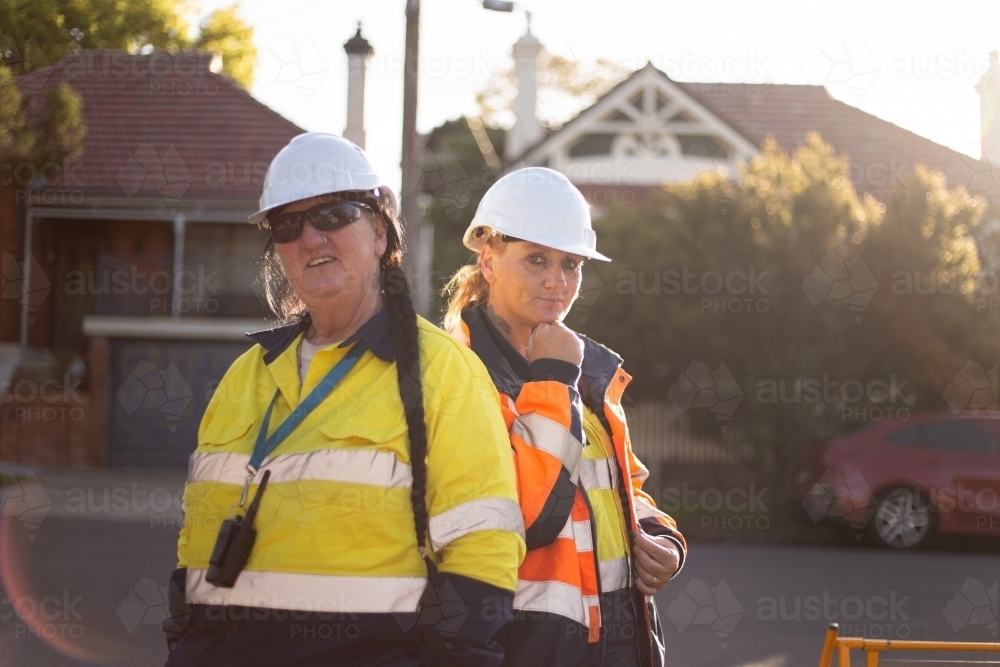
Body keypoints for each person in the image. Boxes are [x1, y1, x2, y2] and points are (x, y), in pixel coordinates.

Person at [162, 133, 526, 667]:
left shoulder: (443, 370)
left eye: (333, 215)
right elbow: (193, 546)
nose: (310, 238)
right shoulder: (246, 376)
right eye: (288, 225)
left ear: (379, 232)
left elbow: (481, 550)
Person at [443, 167, 687, 667]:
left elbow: (623, 489)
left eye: (571, 264)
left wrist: (662, 538)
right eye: (536, 259)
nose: (558, 282)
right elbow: (532, 516)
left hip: (623, 643)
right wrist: (553, 376)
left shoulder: (588, 370)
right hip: (527, 646)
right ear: (488, 260)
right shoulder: (457, 375)